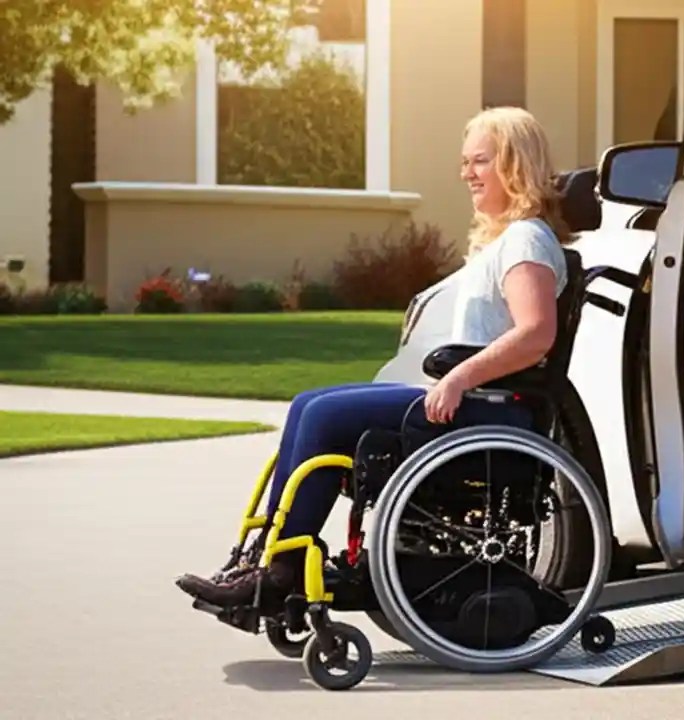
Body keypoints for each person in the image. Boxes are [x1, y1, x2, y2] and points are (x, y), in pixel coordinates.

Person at [176, 106, 573, 606]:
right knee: (308, 404)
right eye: (465, 162)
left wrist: (457, 380)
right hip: (474, 401)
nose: (465, 174)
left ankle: (281, 568)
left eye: (479, 161)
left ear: (514, 165)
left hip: (493, 411)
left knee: (323, 415)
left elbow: (536, 334)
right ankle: (267, 557)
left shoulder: (526, 240)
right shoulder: (503, 241)